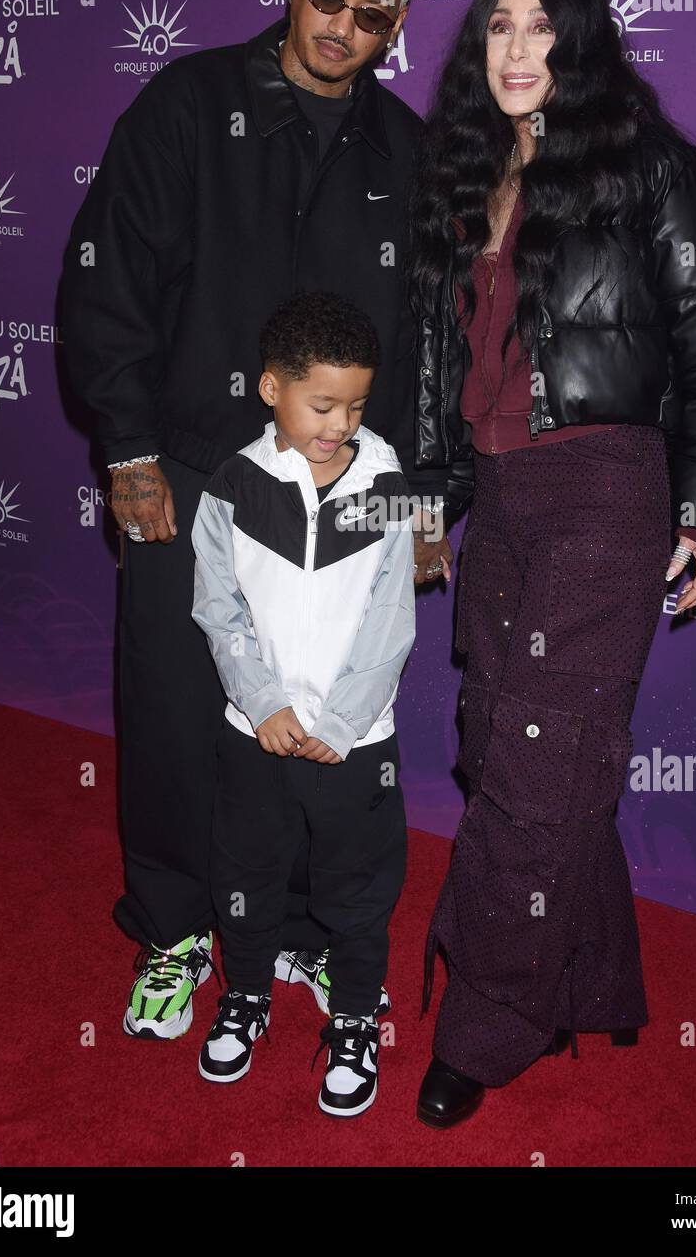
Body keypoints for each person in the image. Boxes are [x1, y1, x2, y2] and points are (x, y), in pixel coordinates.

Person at [60, 0, 459, 1040]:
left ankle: (284, 923)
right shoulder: (185, 107)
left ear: (395, 27)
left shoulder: (408, 153)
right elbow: (106, 284)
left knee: (316, 718)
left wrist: (421, 498)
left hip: (341, 495)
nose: (340, 27)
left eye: (370, 14)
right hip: (187, 472)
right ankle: (180, 927)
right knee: (183, 715)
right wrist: (128, 447)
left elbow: (436, 340)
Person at [404, 0, 696, 1126]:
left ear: (584, 41)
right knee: (504, 748)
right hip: (503, 499)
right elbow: (440, 363)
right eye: (500, 28)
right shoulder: (471, 176)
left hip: (609, 490)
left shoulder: (651, 167)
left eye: (543, 29)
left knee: (533, 763)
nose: (518, 51)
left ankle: (489, 1025)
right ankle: (587, 974)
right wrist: (426, 496)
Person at [190, 290, 415, 1117]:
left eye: (355, 406)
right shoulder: (231, 484)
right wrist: (262, 702)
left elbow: (394, 615)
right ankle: (244, 994)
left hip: (355, 742)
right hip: (255, 731)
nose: (339, 424)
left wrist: (343, 724)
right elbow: (218, 608)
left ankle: (354, 1018)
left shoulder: (391, 479)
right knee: (244, 874)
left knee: (357, 889)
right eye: (321, 405)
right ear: (269, 389)